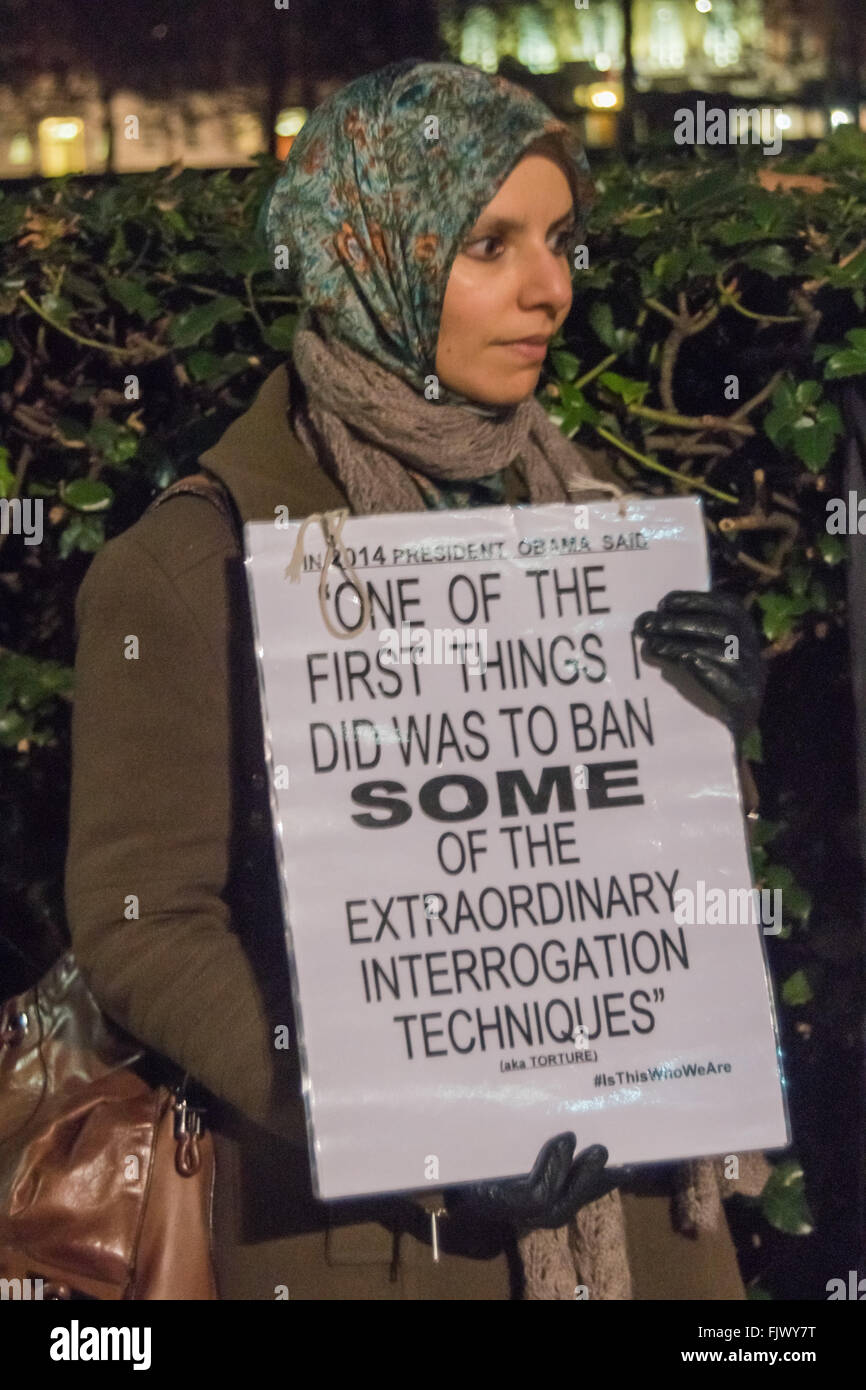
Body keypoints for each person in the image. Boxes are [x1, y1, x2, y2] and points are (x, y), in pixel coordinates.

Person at [65, 59, 766, 1300]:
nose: (550, 288)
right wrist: (410, 1121)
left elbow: (622, 867)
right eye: (488, 244)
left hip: (651, 1224)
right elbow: (142, 924)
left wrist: (707, 738)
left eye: (556, 240)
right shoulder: (193, 561)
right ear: (368, 257)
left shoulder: (585, 511)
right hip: (391, 1251)